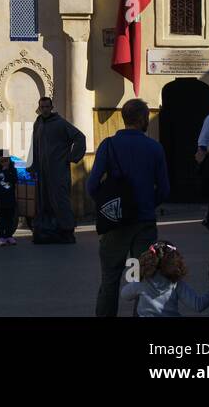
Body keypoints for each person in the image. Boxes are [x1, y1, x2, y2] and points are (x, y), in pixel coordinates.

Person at [87, 98, 171, 317]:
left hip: (115, 227)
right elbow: (164, 189)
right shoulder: (154, 148)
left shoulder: (108, 145)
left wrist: (109, 208)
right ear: (144, 119)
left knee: (110, 279)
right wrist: (147, 205)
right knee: (140, 277)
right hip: (143, 225)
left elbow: (92, 184)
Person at [26, 96, 86, 244]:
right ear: (39, 108)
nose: (45, 110)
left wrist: (72, 157)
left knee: (60, 199)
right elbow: (34, 145)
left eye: (47, 107)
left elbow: (80, 137)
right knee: (43, 200)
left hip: (58, 171)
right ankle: (47, 230)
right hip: (42, 171)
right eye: (42, 107)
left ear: (51, 107)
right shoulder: (38, 123)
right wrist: (33, 165)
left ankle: (66, 230)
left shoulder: (60, 124)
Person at [120, 241, 209, 316]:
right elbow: (198, 305)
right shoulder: (175, 283)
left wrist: (136, 279)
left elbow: (125, 295)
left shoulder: (142, 282)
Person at [0, 150, 19, 245]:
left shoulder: (12, 168)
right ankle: (1, 237)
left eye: (6, 160)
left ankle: (9, 236)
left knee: (10, 218)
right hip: (0, 198)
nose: (4, 163)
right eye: (2, 161)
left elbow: (15, 180)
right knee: (0, 218)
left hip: (10, 197)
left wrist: (7, 171)